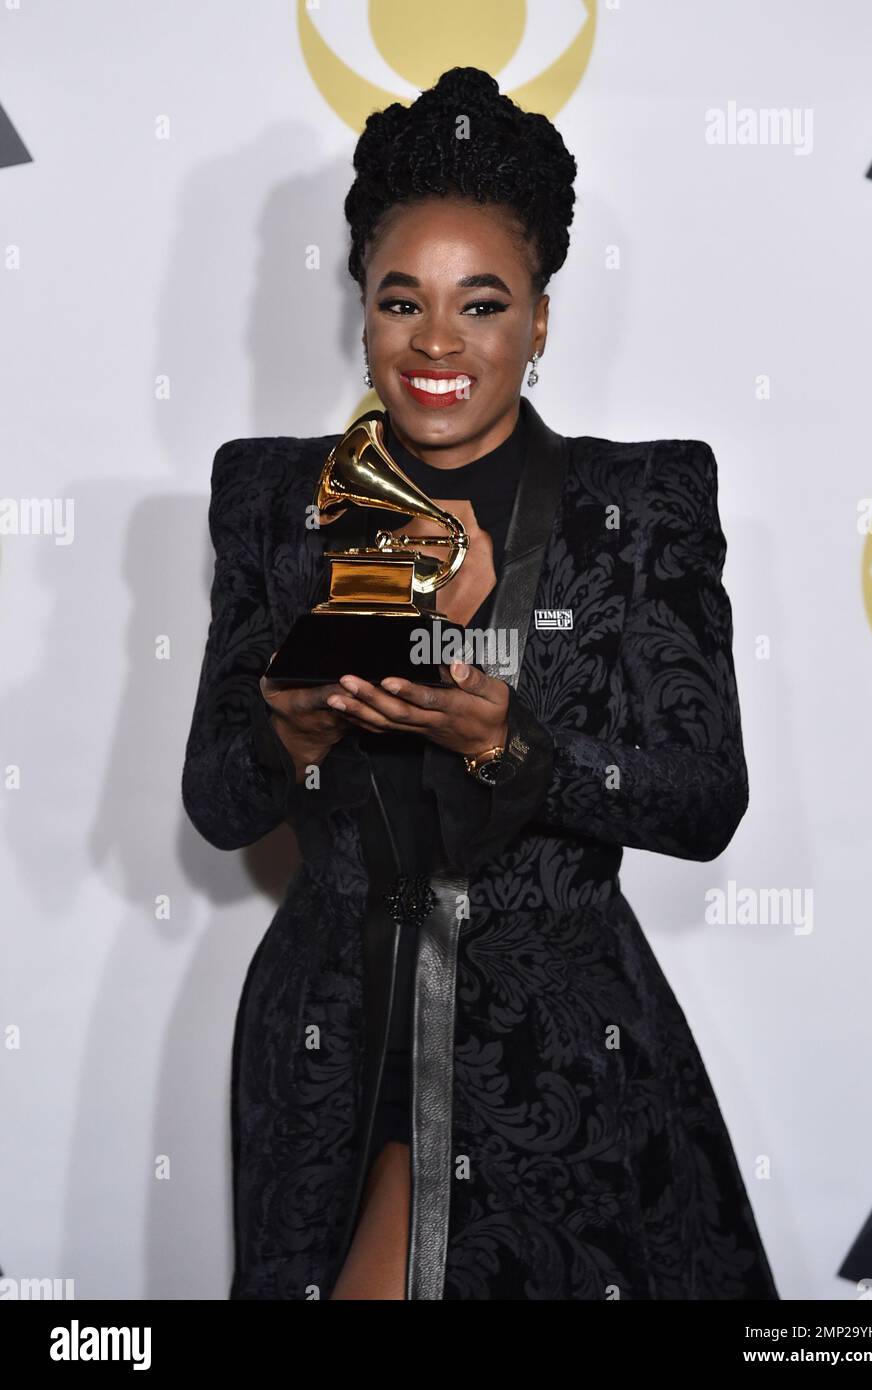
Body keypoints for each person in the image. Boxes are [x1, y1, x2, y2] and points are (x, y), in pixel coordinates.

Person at [181, 66, 779, 1301]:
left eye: (483, 302)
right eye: (402, 301)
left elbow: (704, 798)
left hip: (556, 1047)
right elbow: (219, 805)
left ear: (542, 322)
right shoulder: (276, 498)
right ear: (361, 310)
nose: (437, 343)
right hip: (330, 1038)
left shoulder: (640, 502)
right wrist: (285, 732)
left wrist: (520, 749)